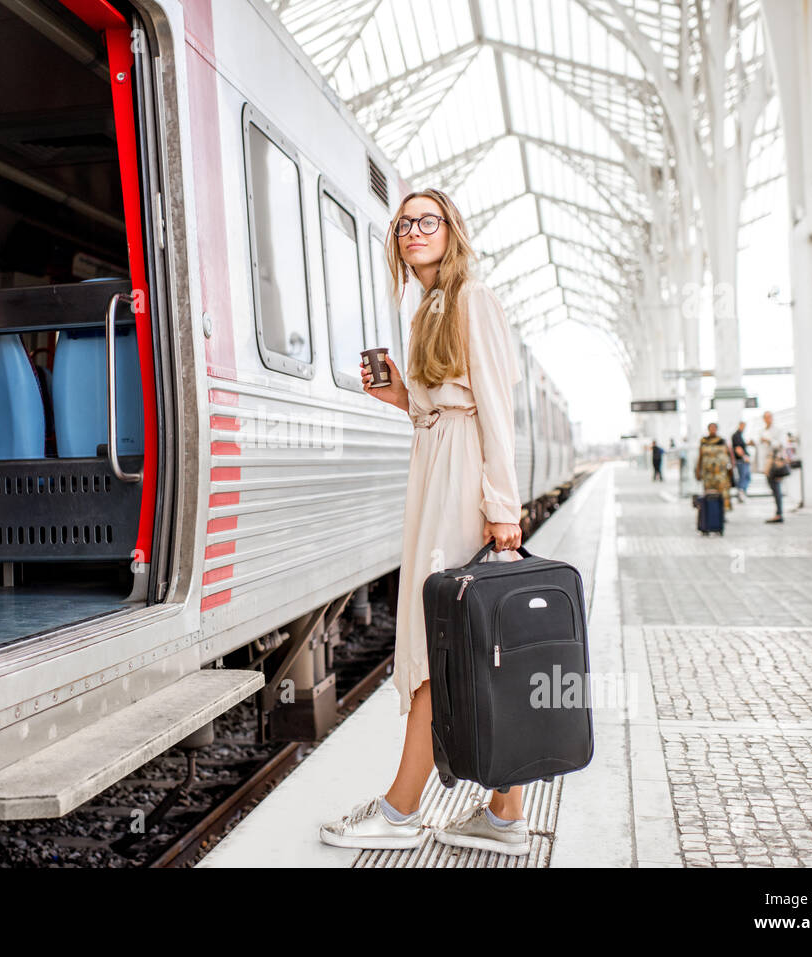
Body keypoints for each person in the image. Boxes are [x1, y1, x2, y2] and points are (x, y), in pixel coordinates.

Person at [319, 187, 529, 855]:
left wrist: (503, 508)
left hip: (463, 479)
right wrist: (396, 395)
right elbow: (432, 408)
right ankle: (503, 813)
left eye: (426, 221)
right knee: (466, 639)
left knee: (443, 637)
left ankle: (402, 807)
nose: (413, 230)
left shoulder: (473, 299)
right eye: (404, 223)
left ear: (452, 231)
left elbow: (494, 410)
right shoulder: (425, 312)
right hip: (436, 467)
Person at [695, 422, 734, 509]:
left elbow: (729, 454)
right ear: (708, 429)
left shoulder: (722, 441)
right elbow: (700, 456)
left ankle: (721, 513)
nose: (712, 429)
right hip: (708, 473)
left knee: (722, 492)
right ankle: (710, 512)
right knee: (709, 493)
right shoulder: (703, 441)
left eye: (714, 428)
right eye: (711, 428)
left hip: (720, 473)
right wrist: (698, 470)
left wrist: (731, 467)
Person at [758, 410, 786, 523]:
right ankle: (778, 512)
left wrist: (768, 440)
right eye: (766, 417)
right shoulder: (762, 431)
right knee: (773, 487)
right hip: (767, 464)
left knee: (776, 487)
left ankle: (779, 514)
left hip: (775, 463)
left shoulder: (778, 430)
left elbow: (780, 444)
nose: (768, 419)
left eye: (769, 417)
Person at [730, 421, 750, 502]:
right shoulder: (736, 435)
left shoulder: (740, 435)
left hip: (741, 460)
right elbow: (738, 448)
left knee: (745, 477)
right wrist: (744, 457)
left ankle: (742, 493)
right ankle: (741, 493)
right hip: (741, 460)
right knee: (744, 477)